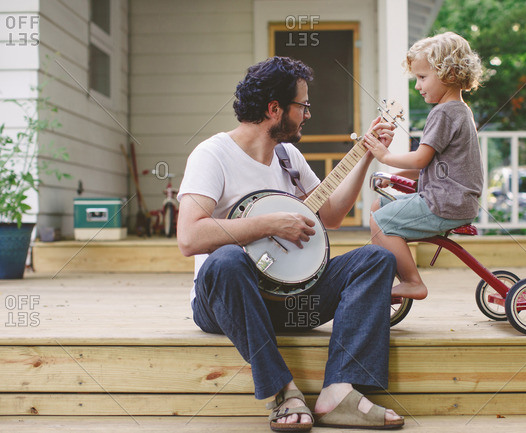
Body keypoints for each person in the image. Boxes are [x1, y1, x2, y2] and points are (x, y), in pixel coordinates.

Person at [176, 56, 404, 431]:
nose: (308, 115)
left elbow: (329, 215)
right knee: (227, 260)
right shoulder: (213, 155)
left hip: (290, 299)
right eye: (304, 105)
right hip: (228, 304)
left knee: (375, 259)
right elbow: (189, 238)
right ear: (274, 109)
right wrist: (267, 223)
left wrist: (365, 154)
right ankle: (282, 389)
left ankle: (339, 391)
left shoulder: (288, 157)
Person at [363, 32, 484, 301]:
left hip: (444, 203)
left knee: (381, 221)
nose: (417, 86)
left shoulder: (444, 112)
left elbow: (420, 159)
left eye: (422, 77)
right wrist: (394, 176)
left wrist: (385, 156)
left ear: (449, 74)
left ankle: (411, 281)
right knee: (377, 208)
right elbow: (429, 164)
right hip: (449, 200)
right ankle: (391, 272)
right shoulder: (459, 110)